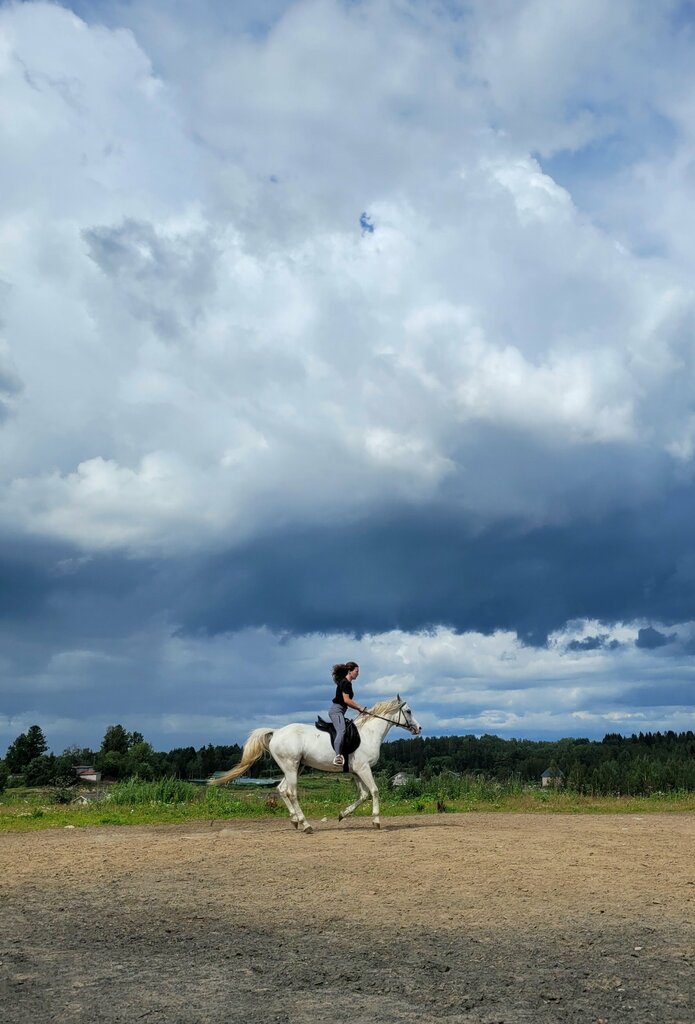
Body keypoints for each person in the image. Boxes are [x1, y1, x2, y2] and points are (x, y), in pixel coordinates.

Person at [328, 661, 368, 766]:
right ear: (350, 671)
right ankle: (338, 756)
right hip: (336, 711)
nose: (358, 673)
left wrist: (358, 709)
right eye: (356, 671)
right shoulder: (345, 683)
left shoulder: (347, 682)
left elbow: (346, 702)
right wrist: (360, 707)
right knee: (341, 730)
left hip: (340, 710)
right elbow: (346, 700)